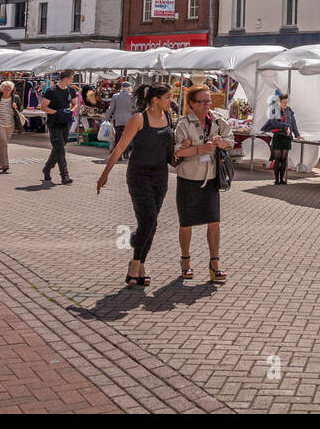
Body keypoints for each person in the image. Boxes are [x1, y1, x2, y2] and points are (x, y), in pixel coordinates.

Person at [98, 83, 176, 287]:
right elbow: (120, 146)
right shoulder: (138, 119)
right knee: (149, 221)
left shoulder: (168, 117)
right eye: (168, 97)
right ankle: (134, 264)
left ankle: (141, 264)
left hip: (161, 177)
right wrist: (104, 174)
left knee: (151, 224)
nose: (171, 101)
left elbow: (169, 147)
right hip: (139, 176)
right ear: (155, 100)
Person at [173, 85, 234, 281]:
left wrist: (222, 143)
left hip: (211, 177)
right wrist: (199, 149)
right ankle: (185, 260)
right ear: (192, 103)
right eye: (203, 101)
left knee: (214, 222)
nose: (207, 104)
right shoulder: (184, 123)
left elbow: (230, 140)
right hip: (189, 177)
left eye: (209, 101)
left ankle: (214, 261)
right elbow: (177, 152)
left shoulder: (217, 119)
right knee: (186, 223)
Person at [40, 70, 77, 185]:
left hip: (66, 123)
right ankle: (64, 175)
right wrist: (56, 112)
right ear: (65, 78)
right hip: (54, 123)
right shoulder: (51, 90)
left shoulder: (71, 90)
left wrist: (70, 111)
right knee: (60, 149)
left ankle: (47, 168)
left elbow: (75, 104)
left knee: (58, 148)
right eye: (71, 78)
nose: (72, 80)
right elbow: (43, 107)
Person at [260, 94, 300, 185]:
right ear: (279, 102)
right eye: (283, 102)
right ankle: (276, 179)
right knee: (277, 159)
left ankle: (282, 179)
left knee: (284, 159)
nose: (285, 104)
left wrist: (297, 135)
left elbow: (293, 124)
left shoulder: (289, 111)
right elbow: (274, 123)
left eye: (286, 102)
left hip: (287, 138)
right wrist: (285, 126)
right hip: (278, 136)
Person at [106, 81, 137, 160]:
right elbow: (135, 108)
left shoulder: (115, 96)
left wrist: (107, 117)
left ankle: (118, 156)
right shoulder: (132, 96)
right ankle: (126, 154)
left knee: (118, 137)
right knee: (127, 137)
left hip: (118, 119)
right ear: (129, 88)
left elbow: (111, 108)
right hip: (129, 120)